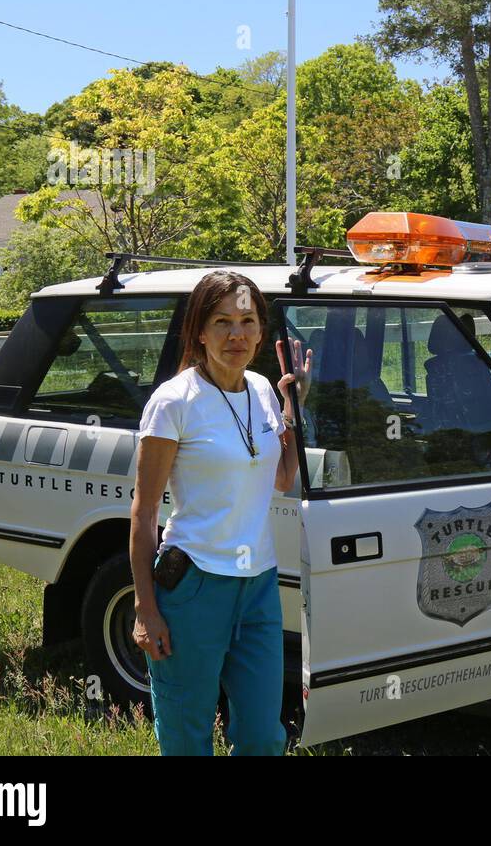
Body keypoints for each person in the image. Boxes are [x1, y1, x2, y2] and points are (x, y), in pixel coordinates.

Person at [129, 270, 310, 755]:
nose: (237, 334)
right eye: (222, 321)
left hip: (258, 587)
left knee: (262, 736)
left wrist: (293, 407)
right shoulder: (174, 403)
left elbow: (281, 478)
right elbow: (143, 513)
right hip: (193, 586)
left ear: (261, 329)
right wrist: (146, 609)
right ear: (199, 331)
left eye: (248, 321)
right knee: (187, 737)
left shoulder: (263, 390)